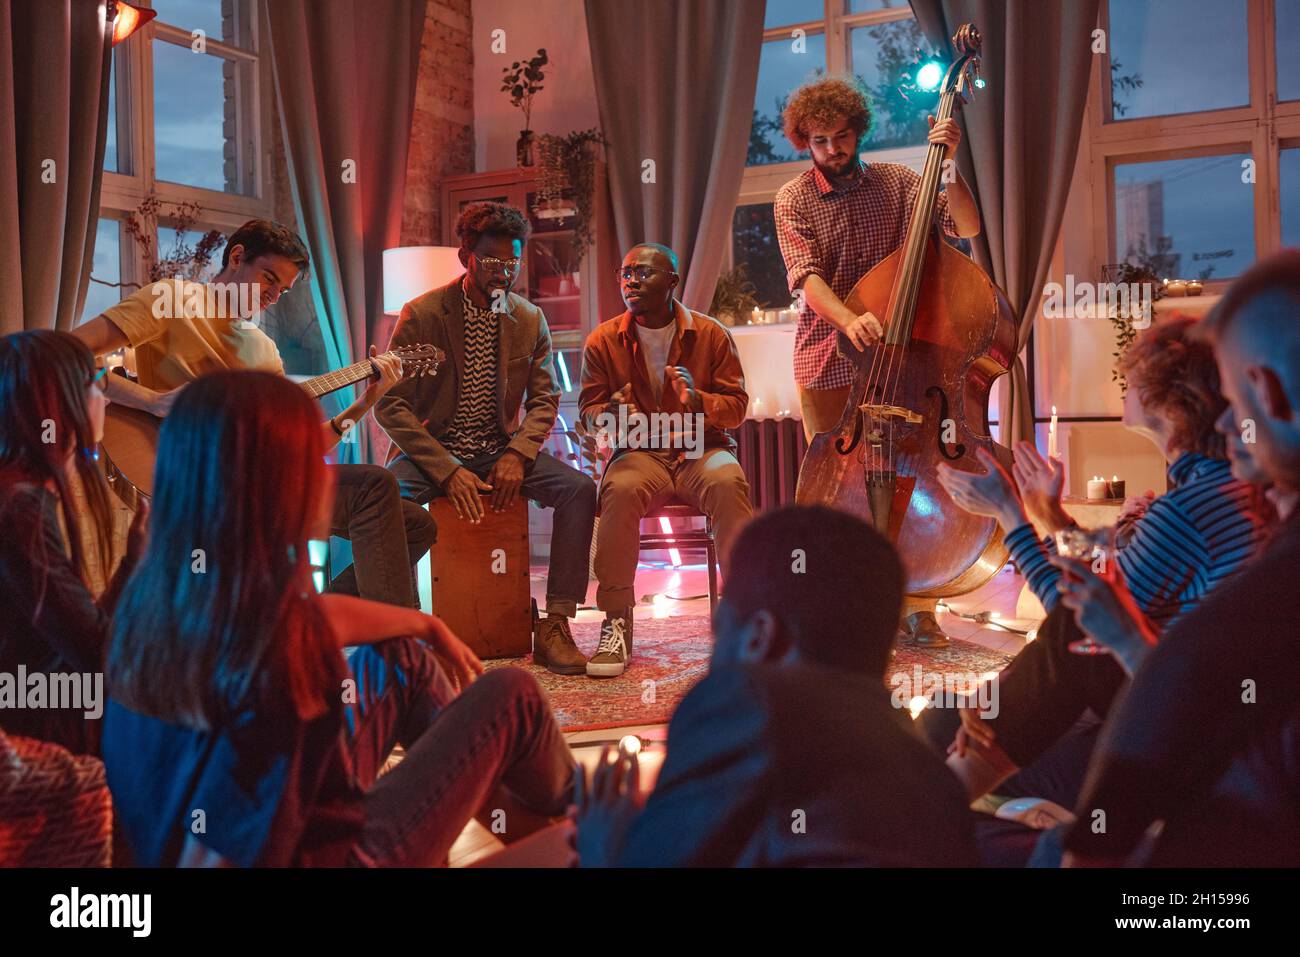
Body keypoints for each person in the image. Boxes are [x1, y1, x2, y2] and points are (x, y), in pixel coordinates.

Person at [102, 370, 576, 867]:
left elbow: (302, 619)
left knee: (400, 657)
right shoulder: (284, 664)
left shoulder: (154, 589)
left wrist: (424, 624)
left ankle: (557, 837)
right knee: (512, 695)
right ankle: (584, 828)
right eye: (312, 459)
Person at [929, 318, 1267, 818]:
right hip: (1162, 695)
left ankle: (955, 815)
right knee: (961, 709)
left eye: (1130, 379)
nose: (1122, 386)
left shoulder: (1191, 510)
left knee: (941, 722)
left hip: (1186, 729)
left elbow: (1079, 621)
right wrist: (1053, 518)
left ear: (1168, 400)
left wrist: (1012, 518)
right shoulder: (1219, 488)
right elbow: (1099, 602)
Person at [1058, 250, 1300, 867]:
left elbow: (1099, 842)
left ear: (1267, 394)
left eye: (1231, 394)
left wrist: (1020, 515)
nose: (1224, 419)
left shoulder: (1267, 586)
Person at [573, 505, 978, 867]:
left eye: (721, 626)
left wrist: (603, 849)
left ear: (759, 636)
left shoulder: (746, 704)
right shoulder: (936, 778)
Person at [71, 219, 435, 609]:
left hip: (259, 487)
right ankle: (393, 646)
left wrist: (366, 401)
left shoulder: (263, 350)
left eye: (283, 290)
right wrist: (154, 402)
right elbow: (71, 354)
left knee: (418, 524)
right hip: (192, 477)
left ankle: (325, 617)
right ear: (237, 256)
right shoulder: (171, 300)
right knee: (375, 484)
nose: (274, 296)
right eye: (268, 280)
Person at [773, 75, 981, 649]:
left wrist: (951, 168)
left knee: (912, 477)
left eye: (842, 137)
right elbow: (805, 277)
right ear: (803, 142)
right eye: (820, 141)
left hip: (908, 362)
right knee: (841, 489)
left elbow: (966, 227)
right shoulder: (792, 199)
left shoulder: (898, 183)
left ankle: (915, 600)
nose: (833, 149)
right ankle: (844, 604)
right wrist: (848, 318)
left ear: (857, 132)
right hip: (828, 357)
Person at [376, 202, 597, 676]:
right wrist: (446, 469)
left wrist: (518, 452)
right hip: (431, 452)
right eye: (492, 262)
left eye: (511, 263)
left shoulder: (529, 319)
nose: (503, 273)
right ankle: (410, 632)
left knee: (579, 490)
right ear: (466, 257)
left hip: (498, 449)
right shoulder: (424, 314)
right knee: (385, 503)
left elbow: (543, 400)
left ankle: (555, 622)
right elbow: (390, 404)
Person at [577, 243, 753, 677]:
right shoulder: (603, 339)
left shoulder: (710, 334)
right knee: (617, 489)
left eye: (643, 273)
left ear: (672, 282)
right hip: (639, 450)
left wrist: (699, 400)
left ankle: (742, 619)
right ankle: (616, 620)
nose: (630, 281)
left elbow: (737, 408)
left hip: (701, 447)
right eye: (625, 273)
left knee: (729, 484)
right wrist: (611, 412)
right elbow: (587, 416)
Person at [0, 331, 147, 754]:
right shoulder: (20, 509)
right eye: (96, 383)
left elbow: (82, 640)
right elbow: (98, 659)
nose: (104, 398)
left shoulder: (22, 494)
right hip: (30, 737)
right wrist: (137, 564)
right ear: (59, 400)